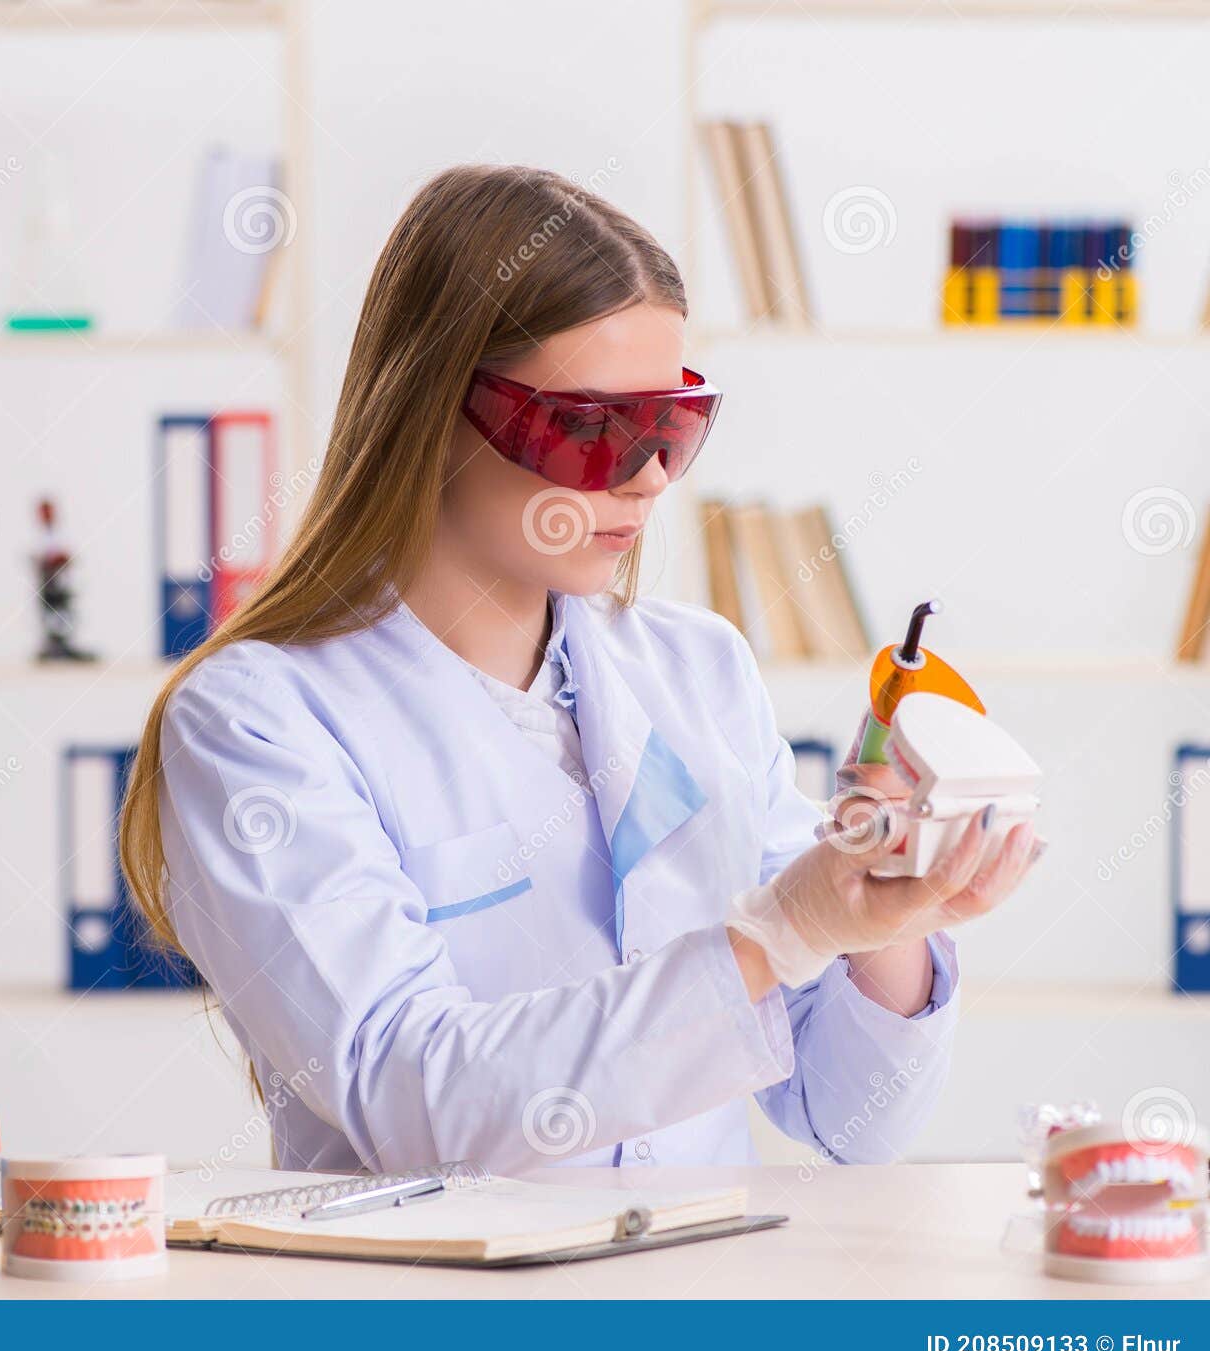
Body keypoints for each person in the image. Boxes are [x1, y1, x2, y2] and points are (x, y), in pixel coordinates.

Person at [119, 165, 1039, 1174]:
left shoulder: (700, 671)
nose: (647, 477)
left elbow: (851, 1118)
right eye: (591, 429)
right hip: (432, 1275)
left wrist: (884, 913)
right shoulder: (258, 719)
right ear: (432, 411)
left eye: (671, 425)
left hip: (701, 1265)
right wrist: (777, 934)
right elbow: (407, 1095)